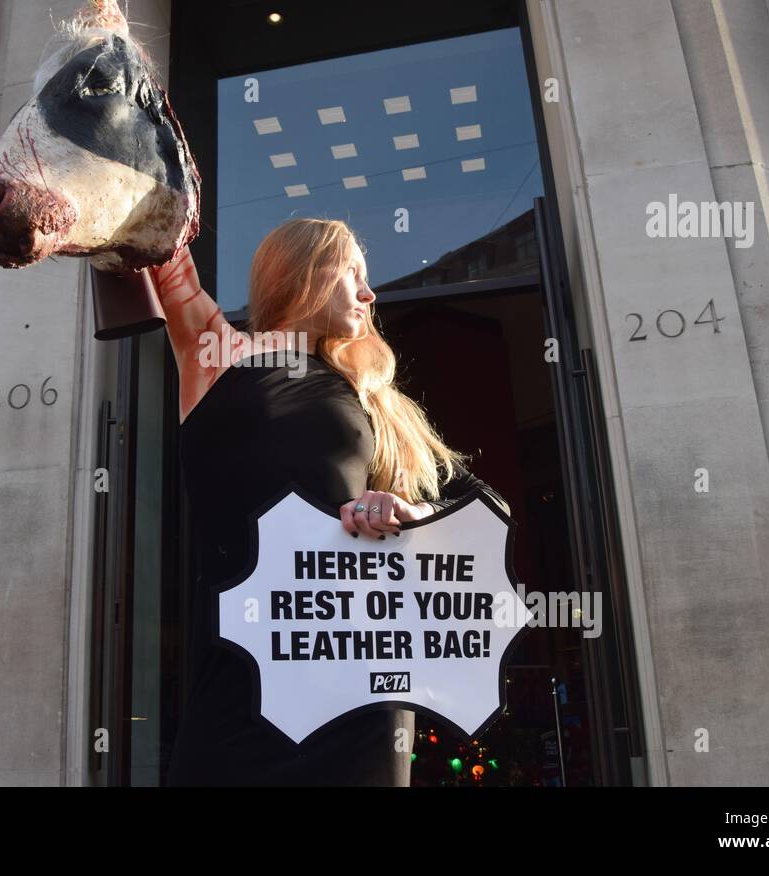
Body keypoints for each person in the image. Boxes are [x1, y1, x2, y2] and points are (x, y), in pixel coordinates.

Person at [147, 217, 505, 786]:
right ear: (302, 271)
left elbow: (474, 512)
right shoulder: (219, 354)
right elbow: (158, 238)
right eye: (353, 273)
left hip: (360, 688)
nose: (370, 293)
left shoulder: (371, 398)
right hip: (242, 686)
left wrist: (411, 515)